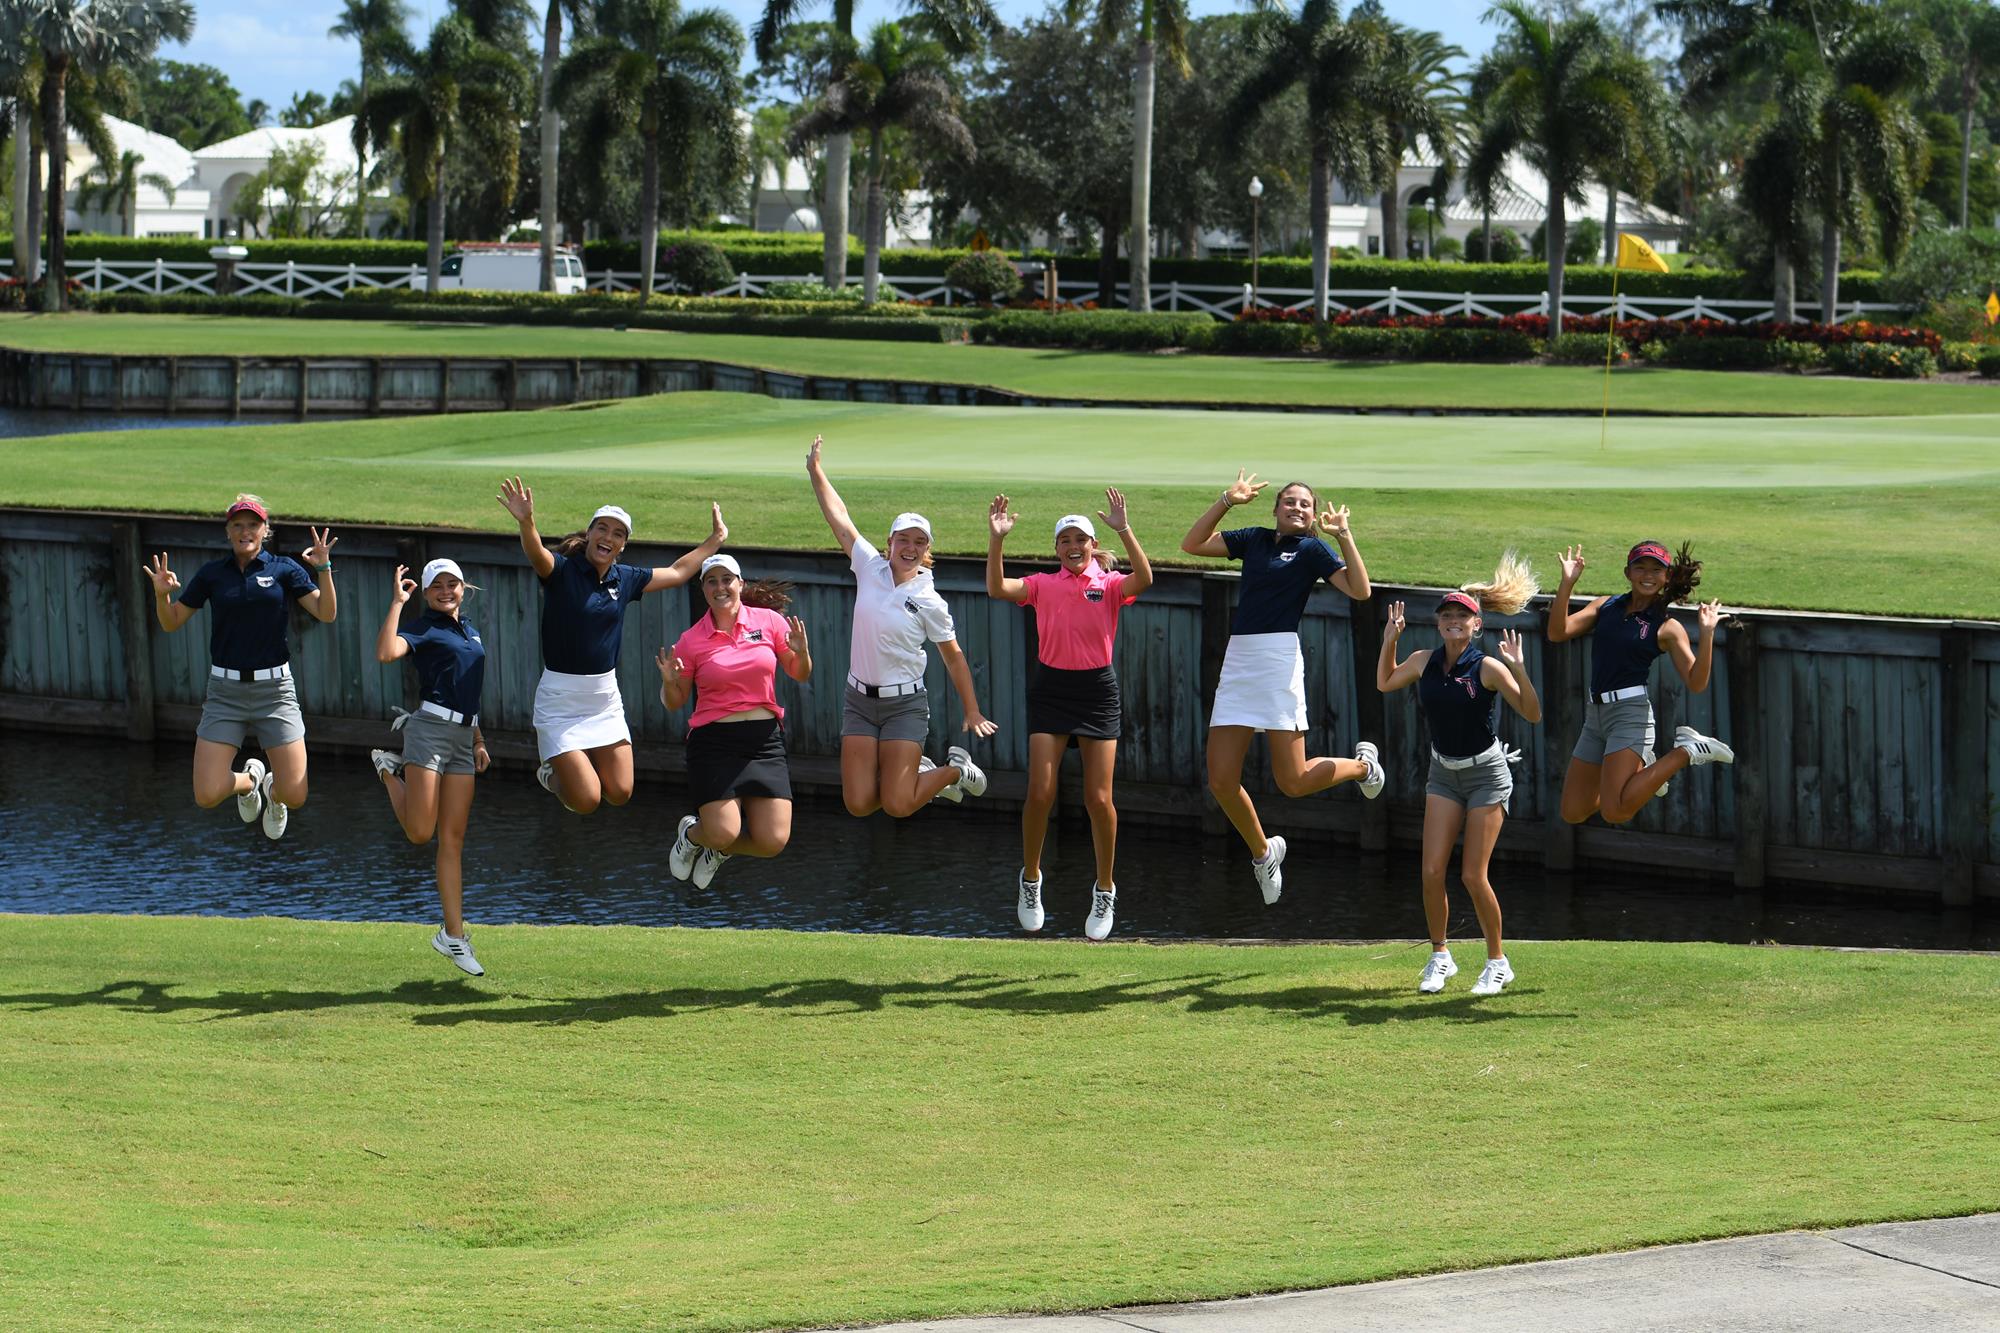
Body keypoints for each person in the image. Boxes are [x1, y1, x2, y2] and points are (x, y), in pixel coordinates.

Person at [1180, 471, 1383, 905]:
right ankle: (1264, 853)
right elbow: (1192, 544)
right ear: (1275, 509)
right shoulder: (1253, 538)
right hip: (1240, 661)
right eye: (1289, 501)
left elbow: (1361, 590)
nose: (1296, 507)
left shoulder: (1312, 549)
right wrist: (1226, 500)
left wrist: (1344, 535)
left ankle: (1364, 767)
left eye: (1305, 504)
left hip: (1277, 660)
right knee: (1221, 781)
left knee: (1293, 781)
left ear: (1312, 516)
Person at [497, 476, 724, 814]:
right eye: (602, 528)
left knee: (620, 792)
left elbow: (678, 572)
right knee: (587, 800)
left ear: (622, 546)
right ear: (589, 534)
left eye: (618, 533)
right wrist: (526, 521)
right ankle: (553, 773)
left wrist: (716, 539)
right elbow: (536, 552)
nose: (608, 537)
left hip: (604, 700)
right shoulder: (563, 571)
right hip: (560, 701)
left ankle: (570, 767)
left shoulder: (626, 578)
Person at [986, 490, 1152, 940]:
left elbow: (1144, 579)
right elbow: (998, 588)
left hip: (1097, 692)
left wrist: (1124, 528)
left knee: (1099, 799)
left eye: (1081, 539)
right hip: (1052, 690)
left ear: (1093, 545)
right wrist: (997, 540)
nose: (1073, 546)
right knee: (1040, 792)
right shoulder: (1043, 584)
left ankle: (1105, 888)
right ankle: (1031, 880)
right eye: (1065, 540)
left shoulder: (1110, 584)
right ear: (1057, 548)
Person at [1376, 554, 1542, 997]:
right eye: (1447, 615)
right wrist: (1390, 640)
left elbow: (1532, 713)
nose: (1453, 621)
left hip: (1487, 775)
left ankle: (1497, 962)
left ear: (1476, 625)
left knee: (1472, 875)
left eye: (1461, 616)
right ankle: (1440, 956)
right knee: (1431, 871)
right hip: (1443, 774)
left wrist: (1519, 669)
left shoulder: (1487, 667)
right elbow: (1385, 682)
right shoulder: (1423, 660)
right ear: (1438, 624)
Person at [806, 434, 996, 819]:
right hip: (858, 701)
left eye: (919, 542)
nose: (910, 547)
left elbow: (954, 658)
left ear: (927, 550)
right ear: (889, 542)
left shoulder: (930, 600)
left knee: (898, 804)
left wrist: (973, 711)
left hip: (905, 706)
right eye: (904, 539)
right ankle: (915, 773)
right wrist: (815, 470)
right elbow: (839, 517)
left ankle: (955, 771)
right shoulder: (869, 566)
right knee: (859, 804)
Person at [142, 495, 337, 841]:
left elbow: (326, 613)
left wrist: (323, 569)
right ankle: (249, 782)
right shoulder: (212, 574)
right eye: (238, 525)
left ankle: (273, 791)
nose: (245, 531)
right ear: (228, 532)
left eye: (253, 525)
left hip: (275, 692)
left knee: (295, 796)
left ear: (265, 530)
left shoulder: (284, 569)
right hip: (225, 693)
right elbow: (171, 622)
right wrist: (161, 596)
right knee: (206, 795)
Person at [1547, 541, 1734, 828]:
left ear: (1666, 577)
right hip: (1595, 715)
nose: (1648, 575)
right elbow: (1557, 632)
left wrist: (1707, 634)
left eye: (1656, 570)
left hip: (1629, 715)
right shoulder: (1605, 605)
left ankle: (1687, 751)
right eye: (1640, 567)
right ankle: (1646, 778)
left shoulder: (1667, 627)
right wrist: (1567, 583)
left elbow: (1696, 682)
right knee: (1573, 811)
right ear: (1627, 572)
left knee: (1616, 812)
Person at [370, 559, 492, 977]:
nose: (445, 591)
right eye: (436, 586)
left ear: (463, 587)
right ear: (424, 592)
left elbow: (469, 691)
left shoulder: (471, 630)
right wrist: (397, 603)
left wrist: (478, 739)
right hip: (429, 731)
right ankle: (388, 769)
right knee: (420, 832)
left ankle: (453, 937)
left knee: (452, 840)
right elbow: (385, 652)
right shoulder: (423, 627)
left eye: (452, 584)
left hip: (464, 737)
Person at [660, 555, 813, 888]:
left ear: (740, 584)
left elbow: (800, 673)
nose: (720, 587)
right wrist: (669, 682)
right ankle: (693, 835)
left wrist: (801, 653)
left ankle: (719, 850)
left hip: (763, 740)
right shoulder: (691, 640)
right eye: (711, 581)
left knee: (772, 841)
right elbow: (675, 702)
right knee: (722, 831)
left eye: (727, 579)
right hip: (714, 742)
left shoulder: (769, 621)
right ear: (703, 589)